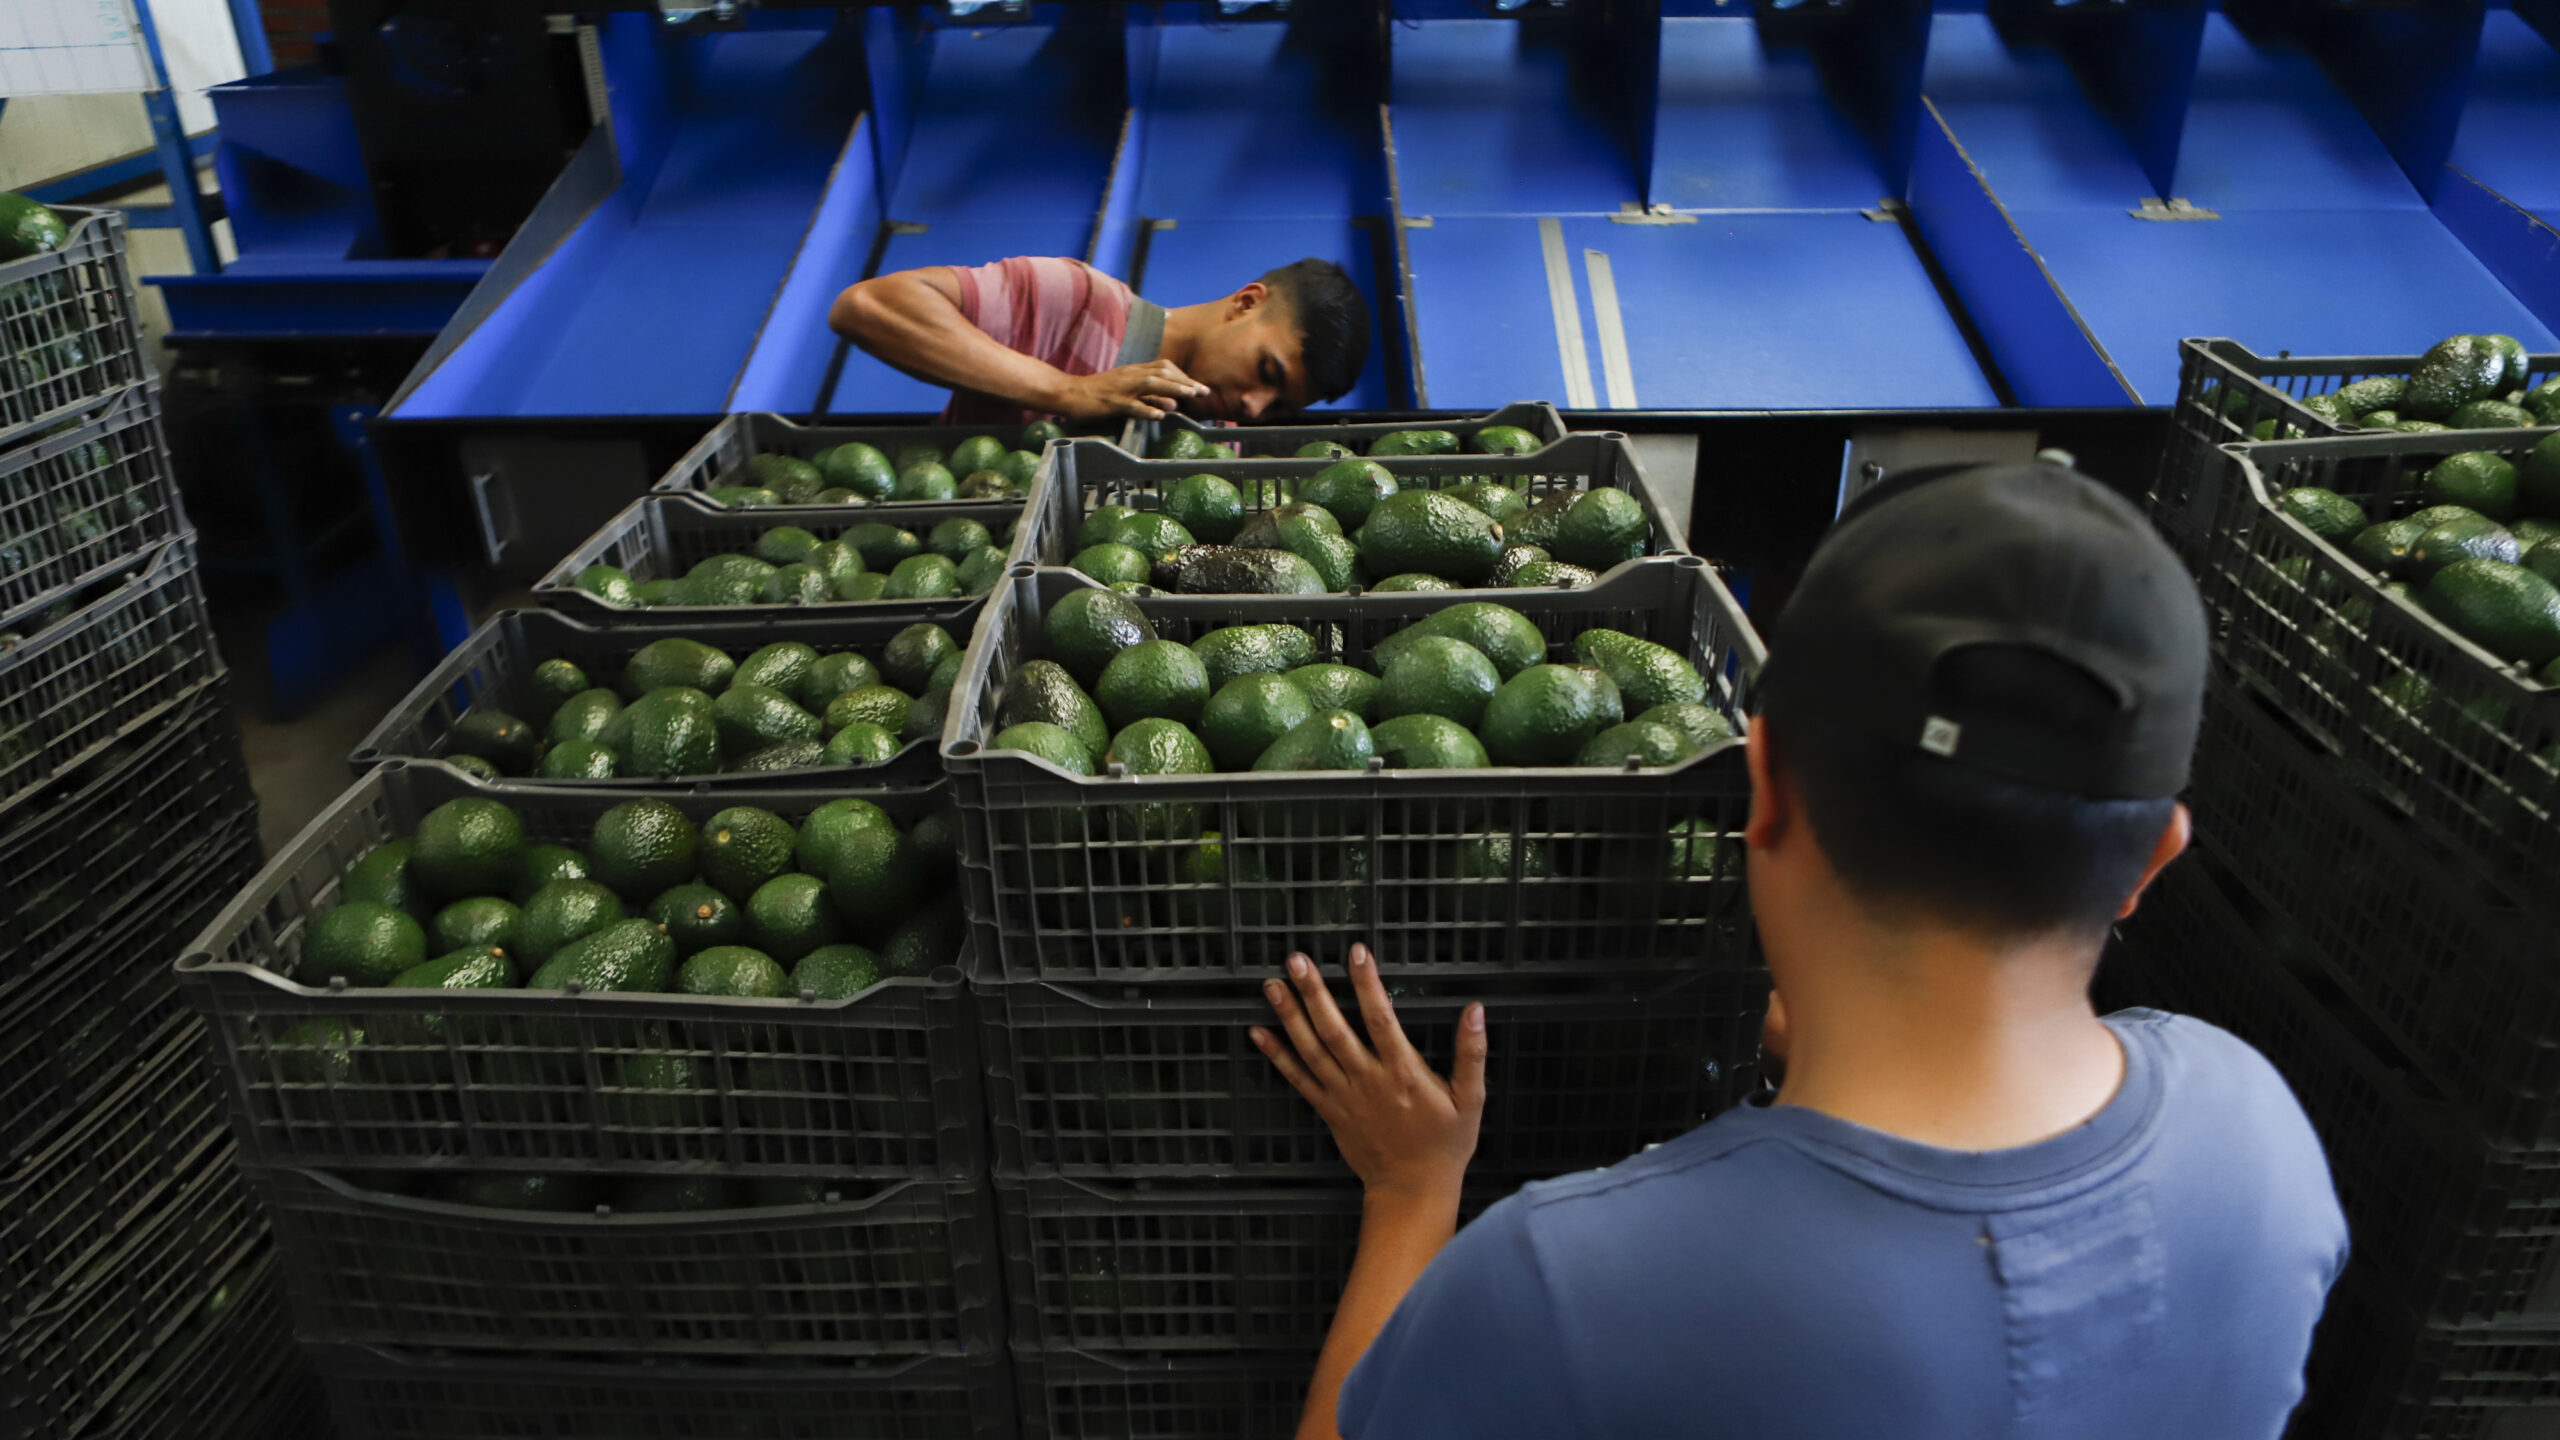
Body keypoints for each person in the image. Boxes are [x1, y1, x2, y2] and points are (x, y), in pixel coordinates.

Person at [1249, 462, 2349, 1440]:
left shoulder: (1570, 1283)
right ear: (2153, 859)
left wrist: (1410, 1191)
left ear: (1762, 790)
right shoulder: (2259, 1130)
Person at [826, 254, 1370, 426]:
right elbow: (867, 307)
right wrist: (1065, 391)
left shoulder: (1218, 440)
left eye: (1277, 406)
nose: (1253, 407)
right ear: (1246, 303)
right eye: (1267, 373)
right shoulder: (1079, 298)